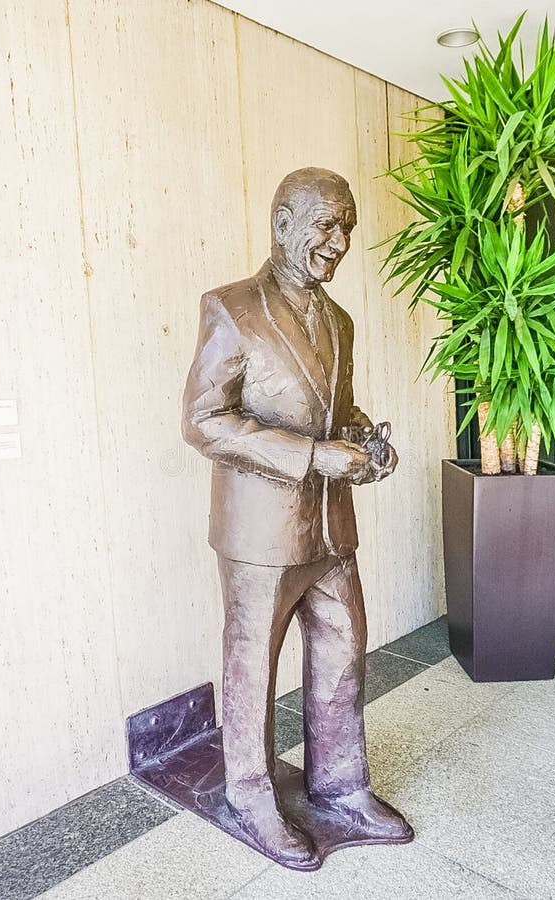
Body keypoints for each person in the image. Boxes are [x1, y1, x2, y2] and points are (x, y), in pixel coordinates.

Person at [182, 168, 412, 869]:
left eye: (347, 225)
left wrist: (366, 441)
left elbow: (333, 407)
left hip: (331, 528)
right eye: (325, 224)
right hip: (260, 531)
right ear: (282, 222)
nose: (339, 240)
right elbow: (204, 422)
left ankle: (341, 788)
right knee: (252, 663)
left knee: (343, 656)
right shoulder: (230, 307)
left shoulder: (337, 318)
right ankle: (249, 796)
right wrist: (314, 456)